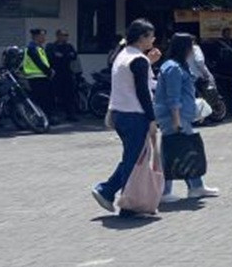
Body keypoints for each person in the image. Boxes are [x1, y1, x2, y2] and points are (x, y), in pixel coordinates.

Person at [92, 19, 160, 214]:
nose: (153, 40)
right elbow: (142, 92)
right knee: (135, 159)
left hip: (119, 113)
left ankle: (111, 192)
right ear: (142, 38)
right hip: (134, 115)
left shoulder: (122, 56)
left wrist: (149, 63)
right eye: (151, 36)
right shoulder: (138, 60)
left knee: (131, 157)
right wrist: (151, 118)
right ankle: (117, 197)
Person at [155, 33, 219, 203]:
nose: (193, 50)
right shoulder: (173, 68)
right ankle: (165, 191)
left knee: (184, 150)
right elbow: (173, 97)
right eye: (191, 46)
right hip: (174, 117)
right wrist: (176, 120)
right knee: (173, 151)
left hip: (182, 116)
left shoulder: (178, 66)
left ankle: (195, 187)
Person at [22, 27, 57, 122]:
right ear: (36, 36)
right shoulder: (32, 48)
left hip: (42, 77)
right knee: (41, 100)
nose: (44, 38)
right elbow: (39, 62)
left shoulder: (39, 48)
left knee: (47, 99)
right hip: (36, 77)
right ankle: (42, 119)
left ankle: (47, 118)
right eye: (42, 36)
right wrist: (49, 71)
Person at [47, 28, 80, 122]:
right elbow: (51, 56)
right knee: (54, 95)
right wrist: (65, 56)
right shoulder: (52, 46)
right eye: (63, 35)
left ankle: (70, 114)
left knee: (69, 95)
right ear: (58, 36)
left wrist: (62, 56)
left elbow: (74, 56)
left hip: (67, 73)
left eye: (67, 35)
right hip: (56, 74)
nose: (66, 37)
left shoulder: (69, 46)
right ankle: (54, 115)